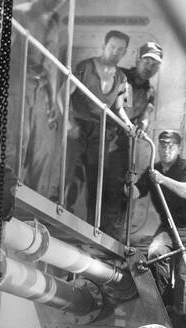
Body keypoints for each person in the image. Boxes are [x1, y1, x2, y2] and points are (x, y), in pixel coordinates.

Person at [68, 31, 131, 234]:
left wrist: (129, 125)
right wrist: (68, 121)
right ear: (104, 45)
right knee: (72, 176)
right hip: (78, 127)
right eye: (113, 47)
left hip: (100, 132)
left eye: (121, 49)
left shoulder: (121, 77)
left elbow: (119, 108)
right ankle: (60, 213)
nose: (116, 52)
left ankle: (93, 227)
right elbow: (66, 94)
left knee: (97, 181)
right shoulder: (84, 67)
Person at [132, 130, 186, 298]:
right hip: (168, 226)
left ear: (179, 148)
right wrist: (129, 185)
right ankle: (161, 304)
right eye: (163, 145)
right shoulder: (154, 170)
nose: (166, 149)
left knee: (184, 278)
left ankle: (181, 321)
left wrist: (162, 179)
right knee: (155, 253)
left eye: (170, 146)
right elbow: (136, 193)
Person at [122, 41, 162, 132]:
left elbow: (146, 116)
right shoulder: (120, 76)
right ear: (138, 61)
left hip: (121, 138)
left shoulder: (150, 93)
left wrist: (142, 127)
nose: (149, 68)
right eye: (146, 62)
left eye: (154, 65)